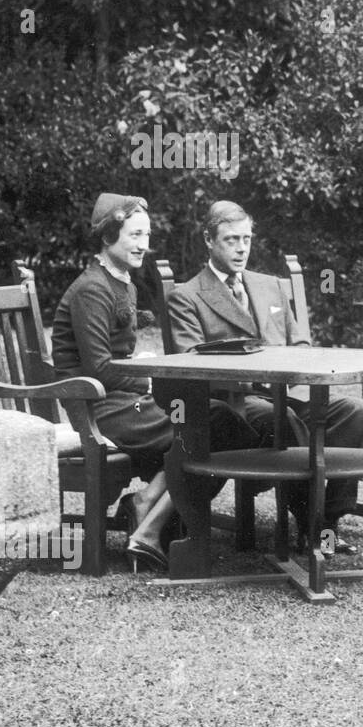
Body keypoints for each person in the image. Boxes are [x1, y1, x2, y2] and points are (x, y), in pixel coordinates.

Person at [50, 193, 257, 571]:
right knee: (216, 423)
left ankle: (148, 508)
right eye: (134, 235)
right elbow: (97, 369)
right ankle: (148, 519)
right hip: (99, 409)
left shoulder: (122, 283)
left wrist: (141, 370)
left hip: (124, 401)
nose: (143, 244)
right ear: (109, 236)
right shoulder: (92, 289)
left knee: (219, 421)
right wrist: (148, 376)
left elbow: (116, 359)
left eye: (146, 234)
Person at [166, 201, 363, 556]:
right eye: (230, 239)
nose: (241, 248)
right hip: (239, 400)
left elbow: (300, 345)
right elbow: (190, 363)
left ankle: (328, 523)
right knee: (281, 419)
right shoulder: (187, 296)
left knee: (359, 413)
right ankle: (311, 525)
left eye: (246, 239)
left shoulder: (272, 287)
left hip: (291, 391)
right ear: (208, 239)